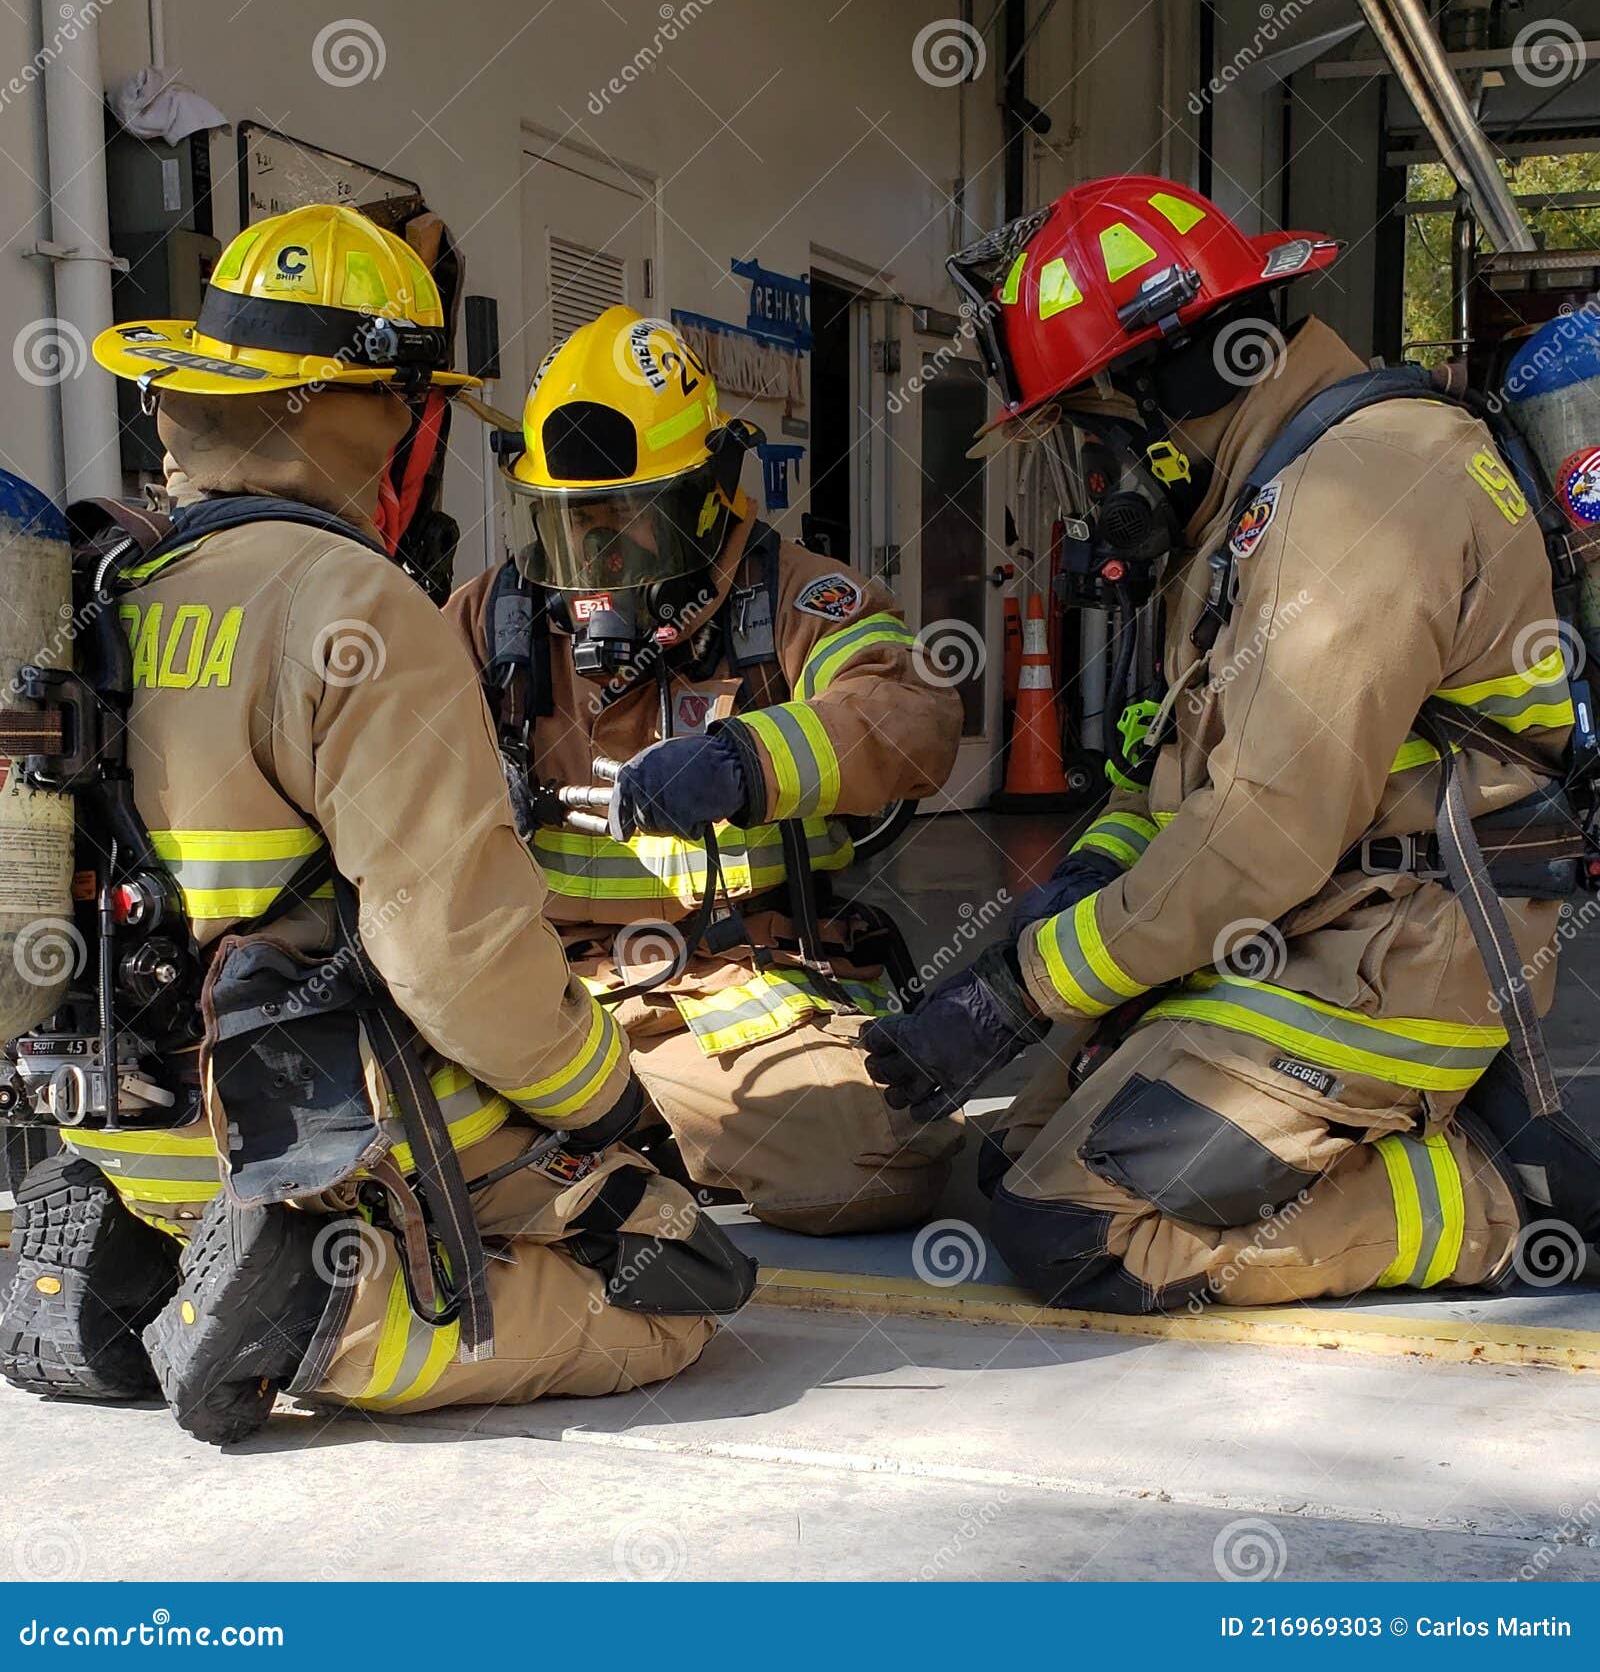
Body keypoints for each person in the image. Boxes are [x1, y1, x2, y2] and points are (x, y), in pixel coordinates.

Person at [0, 204, 750, 1444]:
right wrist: (610, 1102)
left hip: (121, 1115)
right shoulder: (351, 601)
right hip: (323, 1128)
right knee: (674, 1277)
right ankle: (323, 1313)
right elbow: (455, 961)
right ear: (371, 410)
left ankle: (128, 1260)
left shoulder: (102, 575)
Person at [866, 173, 1593, 1311]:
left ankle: (1496, 1198)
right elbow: (1167, 779)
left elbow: (1261, 832)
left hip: (1389, 958)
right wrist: (1063, 904)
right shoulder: (1255, 503)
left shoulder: (1356, 496)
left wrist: (1020, 991)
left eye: (1090, 437)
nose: (1091, 486)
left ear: (1178, 384)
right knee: (1010, 1161)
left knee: (1077, 1230)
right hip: (1303, 930)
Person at [447, 307, 963, 1234]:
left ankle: (621, 1134)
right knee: (385, 1143)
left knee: (876, 1168)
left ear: (711, 493)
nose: (598, 556)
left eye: (629, 517)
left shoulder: (799, 599)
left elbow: (913, 718)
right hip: (544, 992)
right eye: (571, 523)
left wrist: (745, 760)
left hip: (731, 981)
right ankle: (644, 1130)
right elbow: (373, 754)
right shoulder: (490, 620)